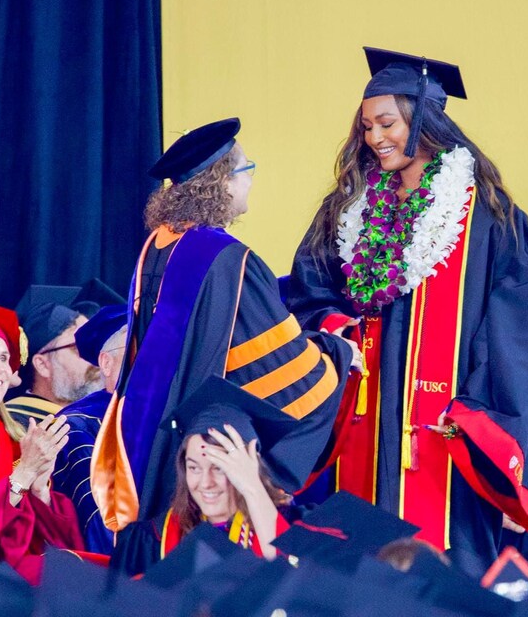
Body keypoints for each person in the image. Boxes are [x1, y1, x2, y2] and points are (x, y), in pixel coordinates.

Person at [287, 47, 528, 574]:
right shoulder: (348, 208)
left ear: (424, 120)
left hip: (444, 448)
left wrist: (474, 421)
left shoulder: (490, 219)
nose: (375, 138)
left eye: (387, 123)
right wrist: (339, 333)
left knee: (444, 582)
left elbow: (510, 339)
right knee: (354, 568)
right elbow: (309, 292)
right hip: (361, 423)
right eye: (366, 127)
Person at [92, 118, 357, 532]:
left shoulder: (160, 243)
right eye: (246, 170)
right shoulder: (226, 257)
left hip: (147, 422)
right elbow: (272, 357)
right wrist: (335, 351)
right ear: (223, 182)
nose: (249, 181)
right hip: (201, 435)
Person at [110, 377, 308, 576]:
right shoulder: (149, 541)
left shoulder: (300, 527)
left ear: (248, 467)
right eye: (194, 468)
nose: (206, 483)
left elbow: (290, 582)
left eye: (219, 468)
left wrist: (253, 489)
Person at [0, 303, 84, 583]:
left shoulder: (19, 439)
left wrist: (41, 489)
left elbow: (60, 544)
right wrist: (22, 477)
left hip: (27, 581)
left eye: (4, 357)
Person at [52, 305, 127, 554]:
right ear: (106, 363)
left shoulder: (169, 418)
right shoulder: (76, 426)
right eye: (139, 350)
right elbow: (99, 523)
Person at [6, 303, 102, 424]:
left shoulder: (100, 422)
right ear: (42, 365)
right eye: (80, 348)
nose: (96, 357)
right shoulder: (14, 428)